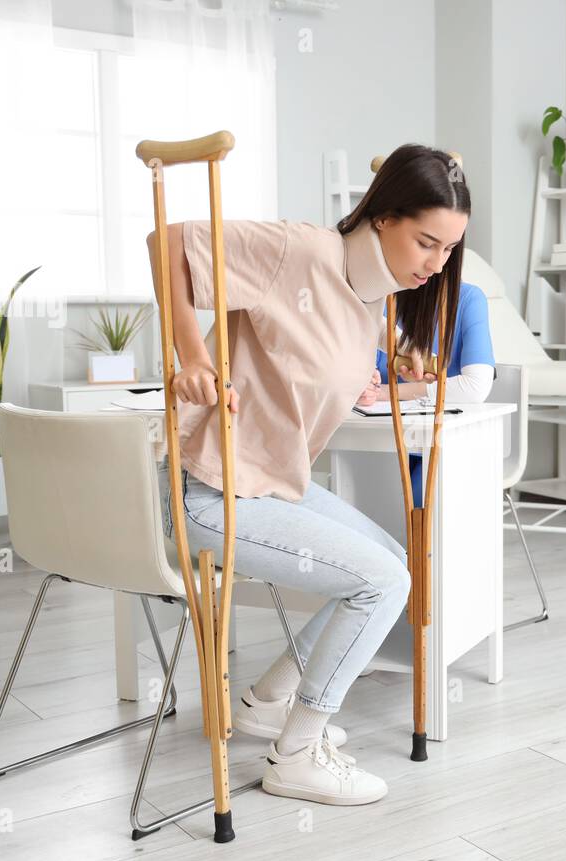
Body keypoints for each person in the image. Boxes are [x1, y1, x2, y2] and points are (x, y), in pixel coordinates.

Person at [147, 144, 469, 806]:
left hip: (268, 481)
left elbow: (308, 342)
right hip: (211, 492)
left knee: (387, 560)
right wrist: (194, 354)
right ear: (383, 217)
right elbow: (165, 242)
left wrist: (393, 363)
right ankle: (295, 756)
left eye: (447, 251)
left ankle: (268, 701)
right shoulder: (298, 251)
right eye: (426, 243)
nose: (435, 266)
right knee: (381, 583)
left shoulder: (368, 295)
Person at [364, 281, 495, 502]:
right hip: (378, 441)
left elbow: (475, 387)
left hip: (443, 444)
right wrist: (363, 384)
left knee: (420, 495)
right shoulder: (380, 299)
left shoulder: (468, 298)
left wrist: (388, 392)